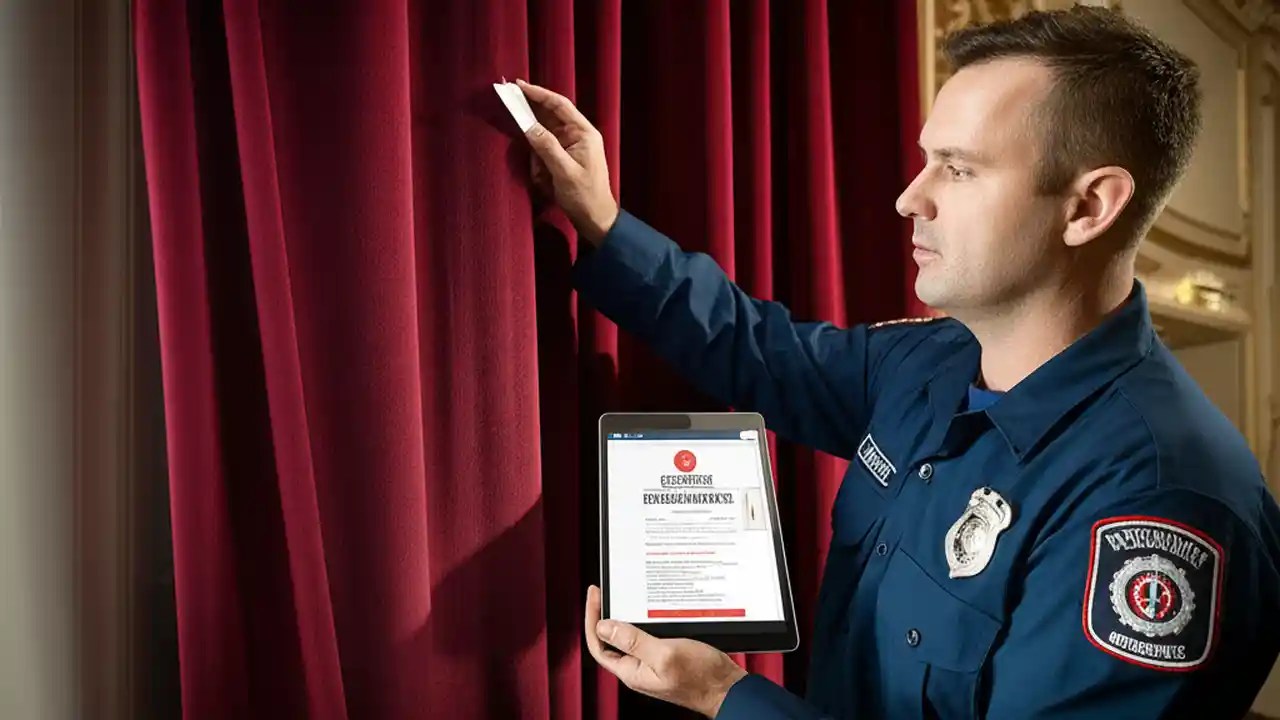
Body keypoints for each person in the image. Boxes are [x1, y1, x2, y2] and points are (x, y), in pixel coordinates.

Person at [517, 6, 1280, 719]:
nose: (910, 199)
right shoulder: (934, 359)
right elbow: (757, 351)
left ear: (1087, 208)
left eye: (958, 168)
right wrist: (604, 221)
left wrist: (730, 698)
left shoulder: (1157, 505)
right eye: (927, 161)